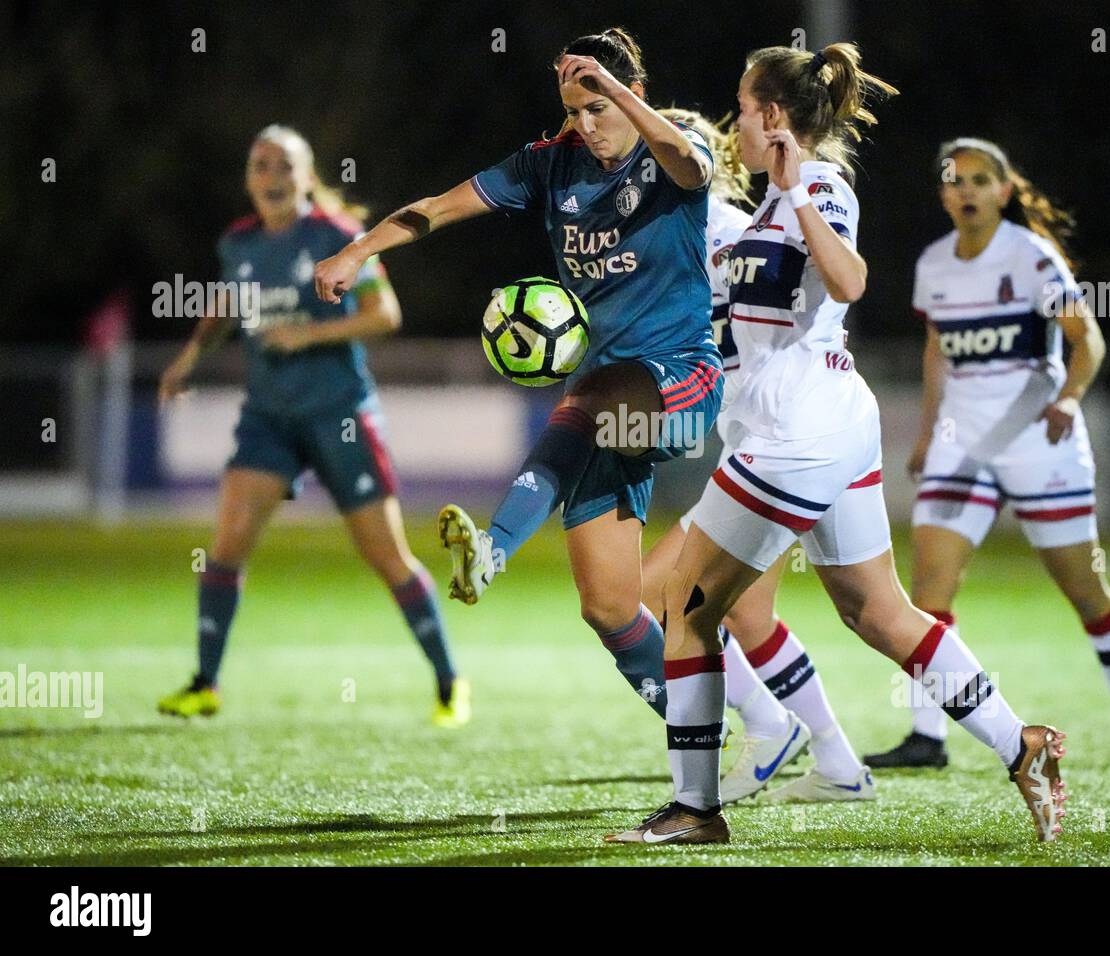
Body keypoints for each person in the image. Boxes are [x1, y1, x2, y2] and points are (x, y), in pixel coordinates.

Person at [607, 43, 1066, 847]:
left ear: (772, 116)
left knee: (686, 609)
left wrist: (797, 196)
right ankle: (1020, 743)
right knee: (877, 612)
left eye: (743, 109)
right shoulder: (761, 208)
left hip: (798, 432)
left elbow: (851, 281)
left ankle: (695, 809)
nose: (737, 126)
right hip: (822, 425)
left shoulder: (814, 185)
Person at [314, 29, 722, 717]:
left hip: (681, 381)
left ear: (634, 96)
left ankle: (492, 551)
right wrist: (357, 251)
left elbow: (690, 165)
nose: (586, 126)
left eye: (600, 107)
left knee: (590, 398)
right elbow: (437, 209)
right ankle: (723, 733)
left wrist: (615, 89)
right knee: (609, 607)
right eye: (574, 110)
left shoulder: (670, 146)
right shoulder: (549, 165)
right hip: (601, 408)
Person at [862, 138, 1110, 771]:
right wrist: (926, 434)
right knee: (927, 590)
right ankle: (927, 738)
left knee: (1084, 590)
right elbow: (937, 350)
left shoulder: (1030, 256)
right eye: (954, 181)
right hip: (962, 446)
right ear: (943, 194)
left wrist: (1070, 399)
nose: (965, 190)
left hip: (1036, 441)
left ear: (1002, 191)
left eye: (978, 180)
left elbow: (1090, 341)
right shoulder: (935, 263)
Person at [157, 125, 467, 727]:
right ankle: (204, 684)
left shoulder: (339, 236)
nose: (269, 176)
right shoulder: (239, 243)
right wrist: (189, 359)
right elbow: (227, 305)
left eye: (282, 166)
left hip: (341, 416)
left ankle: (450, 682)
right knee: (224, 551)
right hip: (269, 418)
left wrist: (308, 333)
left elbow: (386, 315)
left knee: (387, 557)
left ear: (306, 176)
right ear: (248, 179)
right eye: (258, 165)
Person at [643, 108, 873, 804]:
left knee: (661, 594)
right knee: (751, 614)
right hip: (760, 442)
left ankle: (770, 730)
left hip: (784, 442)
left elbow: (799, 315)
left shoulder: (727, 232)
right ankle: (833, 759)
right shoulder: (671, 237)